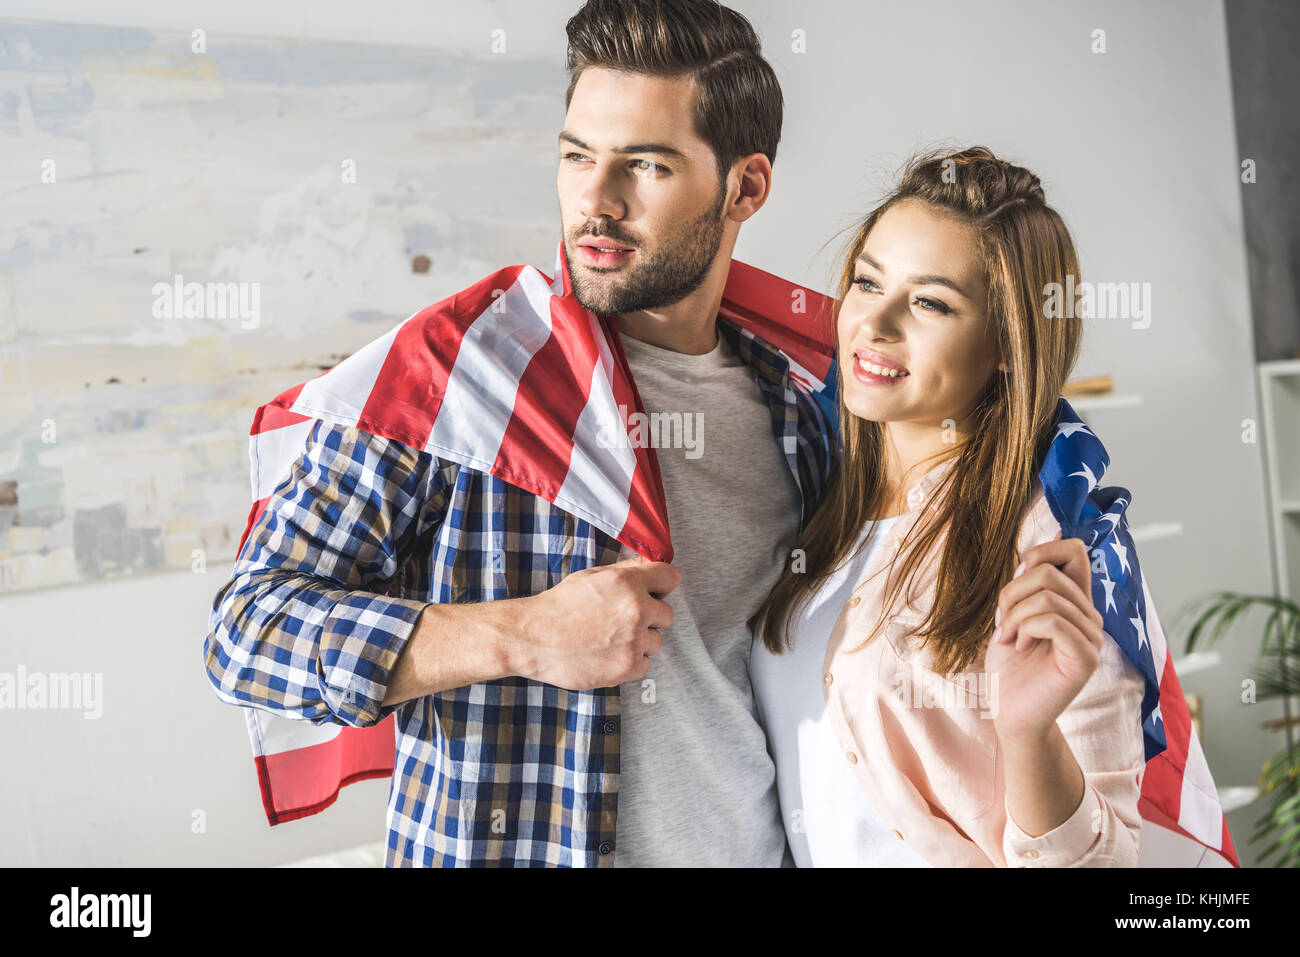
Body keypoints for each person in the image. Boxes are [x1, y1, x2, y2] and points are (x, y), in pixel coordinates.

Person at [204, 1, 1093, 867]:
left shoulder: (803, 412)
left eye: (648, 166)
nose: (596, 199)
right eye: (577, 156)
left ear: (745, 185)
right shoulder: (453, 380)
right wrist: (516, 635)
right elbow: (243, 634)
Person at [751, 146, 1149, 867]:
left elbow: (1108, 864)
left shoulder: (1052, 540)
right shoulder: (818, 500)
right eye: (868, 283)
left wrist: (1030, 735)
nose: (875, 324)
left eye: (930, 302)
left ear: (1006, 341)